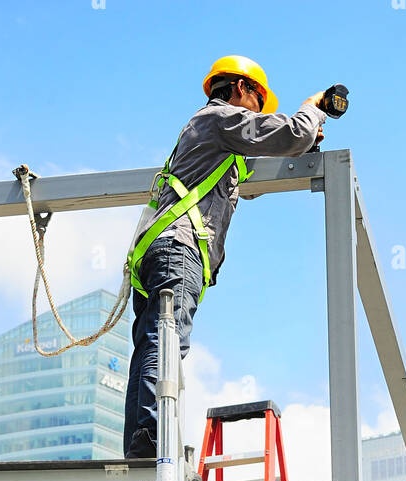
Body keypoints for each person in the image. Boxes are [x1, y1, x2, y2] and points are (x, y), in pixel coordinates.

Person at [123, 55, 328, 459]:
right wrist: (312, 108)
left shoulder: (210, 140)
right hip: (177, 251)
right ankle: (150, 437)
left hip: (160, 251)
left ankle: (141, 440)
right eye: (257, 98)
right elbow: (291, 134)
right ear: (239, 89)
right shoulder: (220, 119)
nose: (257, 109)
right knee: (167, 340)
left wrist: (300, 143)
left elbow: (266, 154)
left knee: (151, 341)